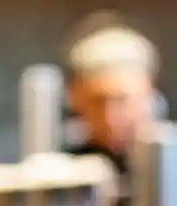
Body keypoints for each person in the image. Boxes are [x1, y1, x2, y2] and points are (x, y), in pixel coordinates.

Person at [64, 13, 160, 189]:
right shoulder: (65, 174)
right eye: (98, 102)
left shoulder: (167, 168)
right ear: (75, 97)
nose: (111, 117)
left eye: (121, 100)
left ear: (148, 90)